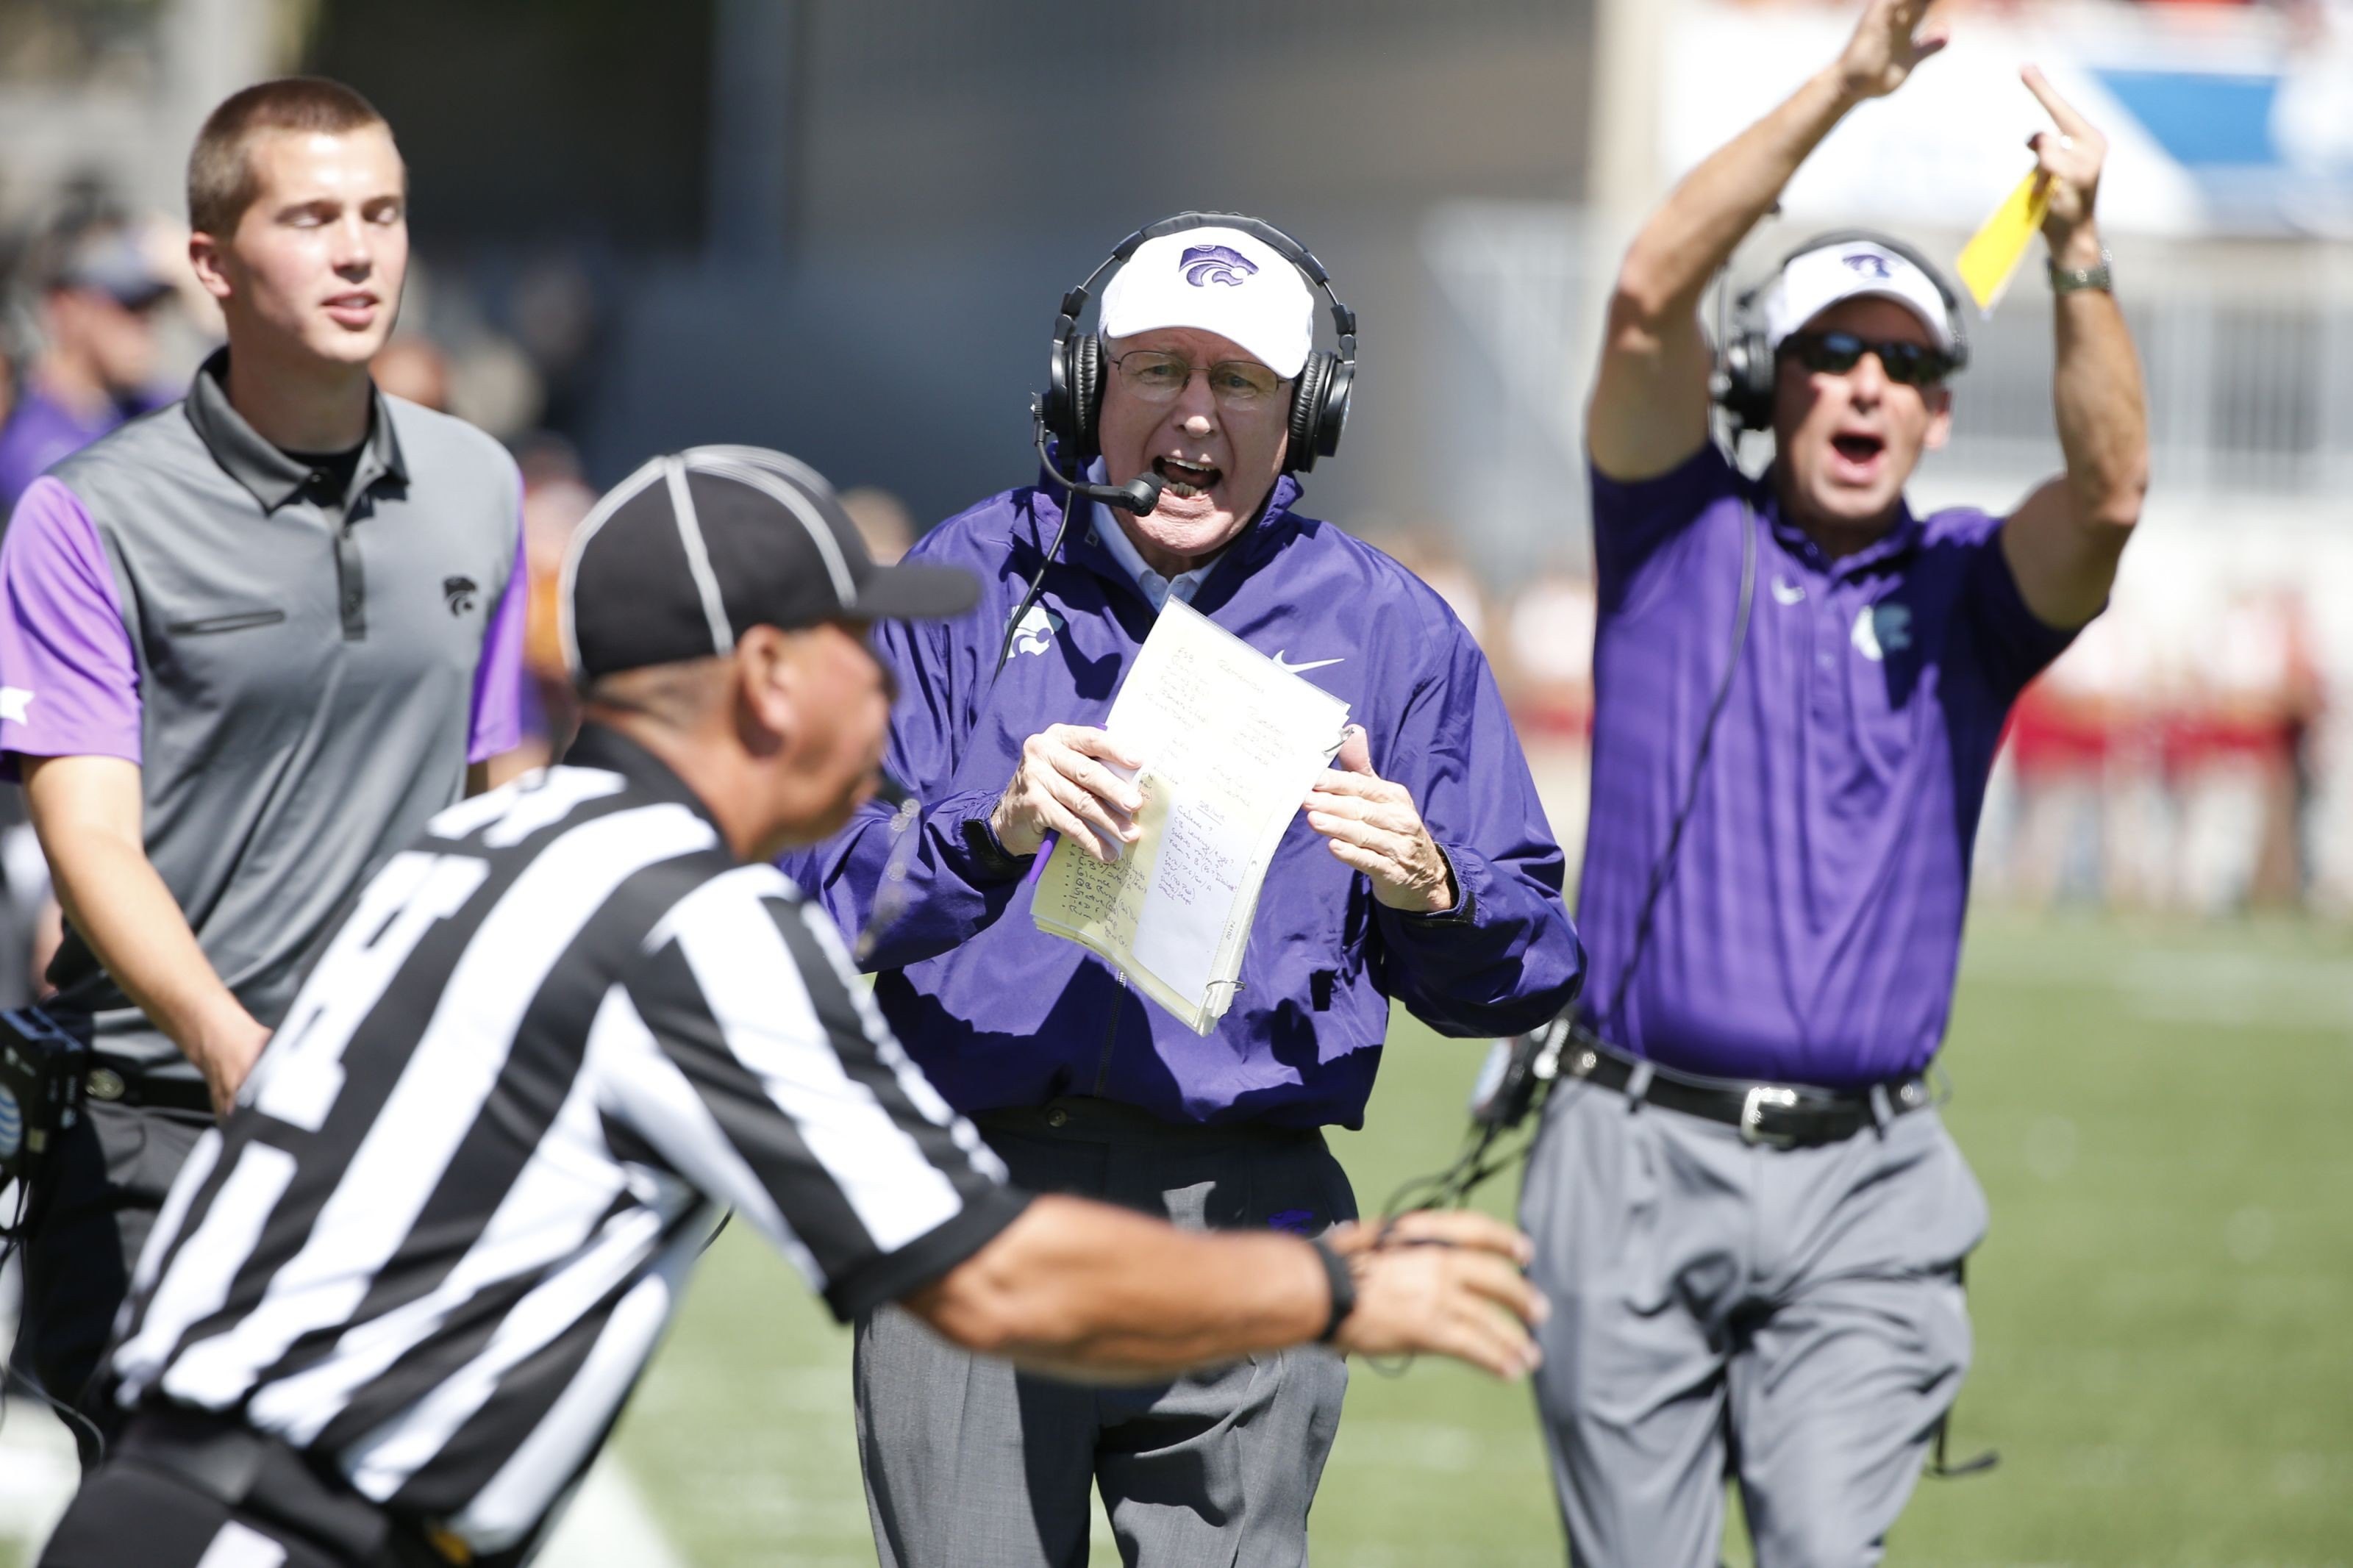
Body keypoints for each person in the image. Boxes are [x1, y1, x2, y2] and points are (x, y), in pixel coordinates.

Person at [35, 445, 1546, 1568]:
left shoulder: (484, 839)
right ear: (765, 675)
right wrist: (1337, 1291)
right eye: (855, 642)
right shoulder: (690, 923)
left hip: (168, 1496)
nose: (891, 690)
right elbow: (990, 1284)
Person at [778, 213, 1583, 1567]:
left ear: (1303, 410)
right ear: (1086, 384)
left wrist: (1431, 883)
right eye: (1159, 370)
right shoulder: (950, 585)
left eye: (1240, 381)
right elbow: (810, 895)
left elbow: (1533, 967)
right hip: (979, 1195)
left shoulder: (1395, 632)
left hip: (1247, 1206)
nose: (1195, 413)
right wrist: (990, 829)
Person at [1521, 4, 2151, 1564]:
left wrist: (2074, 250)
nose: (1867, 386)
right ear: (1765, 384)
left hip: (1867, 1179)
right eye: (1831, 353)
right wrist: (1846, 87)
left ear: (1938, 408)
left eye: (1905, 362)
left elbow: (2110, 494)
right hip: (1630, 1151)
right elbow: (1646, 289)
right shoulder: (1670, 534)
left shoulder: (1967, 592)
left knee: (1821, 1544)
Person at [0, 76, 526, 1465]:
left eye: (384, 214)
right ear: (213, 264)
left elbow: (502, 794)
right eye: (311, 218)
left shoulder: (480, 482)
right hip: (160, 1134)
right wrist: (233, 1042)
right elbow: (87, 836)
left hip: (402, 1138)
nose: (360, 253)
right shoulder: (85, 515)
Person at [0, 221, 178, 520]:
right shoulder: (16, 415)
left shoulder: (151, 409)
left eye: (152, 309)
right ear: (66, 307)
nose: (145, 328)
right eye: (129, 306)